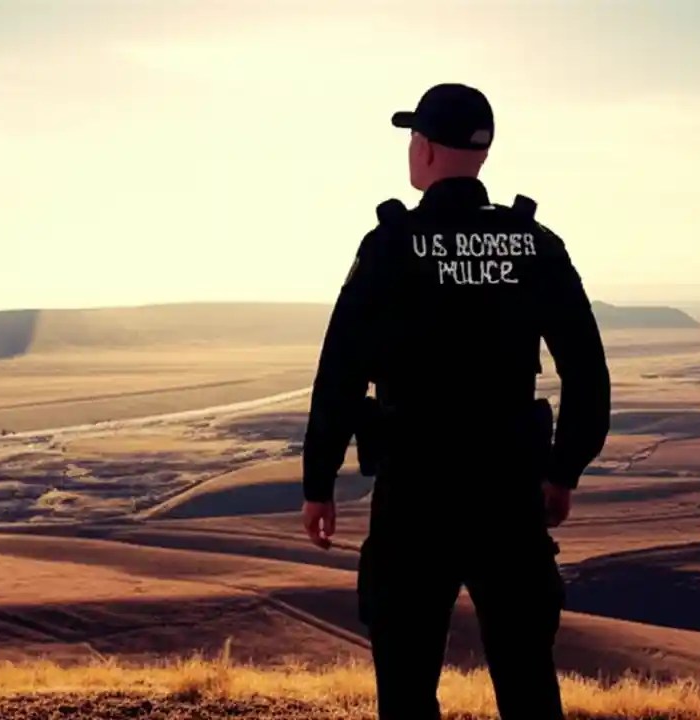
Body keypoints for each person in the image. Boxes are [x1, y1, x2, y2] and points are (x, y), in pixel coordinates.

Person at [299, 83, 612, 720]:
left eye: (414, 138)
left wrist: (318, 482)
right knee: (526, 678)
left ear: (429, 149)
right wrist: (562, 470)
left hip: (415, 495)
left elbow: (340, 373)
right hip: (508, 494)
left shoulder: (389, 246)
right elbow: (587, 372)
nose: (411, 150)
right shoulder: (533, 244)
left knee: (407, 683)